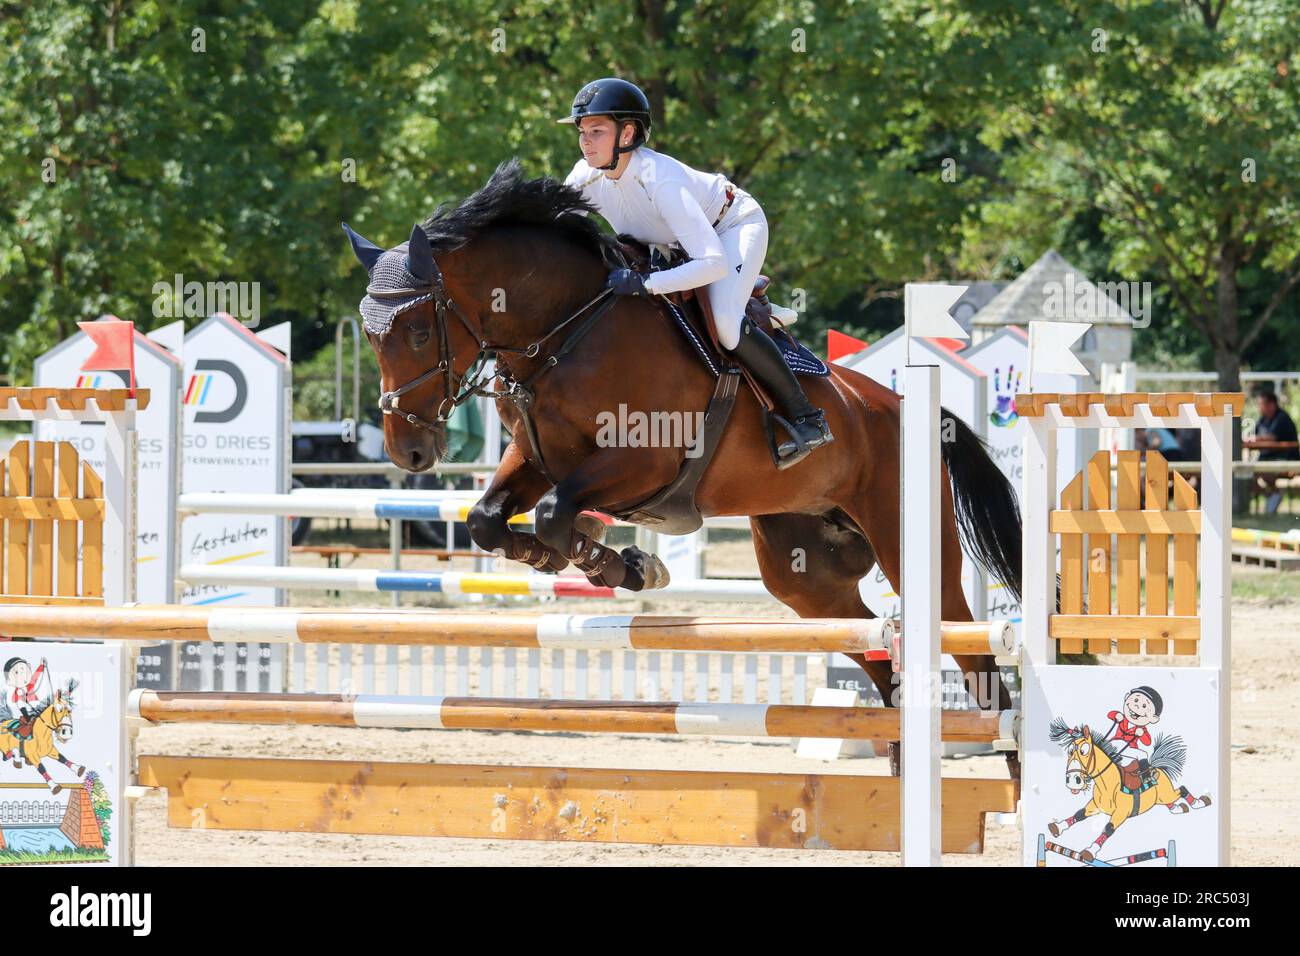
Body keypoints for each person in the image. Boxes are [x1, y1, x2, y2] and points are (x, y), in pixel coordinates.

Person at [557, 77, 833, 469]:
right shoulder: (584, 176)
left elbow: (711, 263)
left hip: (731, 228)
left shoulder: (660, 180)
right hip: (675, 241)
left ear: (628, 132)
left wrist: (645, 284)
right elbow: (560, 233)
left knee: (724, 323)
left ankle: (806, 418)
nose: (586, 141)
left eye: (597, 131)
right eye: (583, 131)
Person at [1244, 389, 1299, 513]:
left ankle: (1274, 494)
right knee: (1245, 475)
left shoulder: (1282, 418)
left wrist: (1253, 439)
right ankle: (1272, 494)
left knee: (1263, 470)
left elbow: (1270, 437)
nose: (1259, 408)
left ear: (1272, 404)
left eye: (1261, 404)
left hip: (1286, 458)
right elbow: (1255, 436)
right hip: (1267, 458)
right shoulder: (1263, 419)